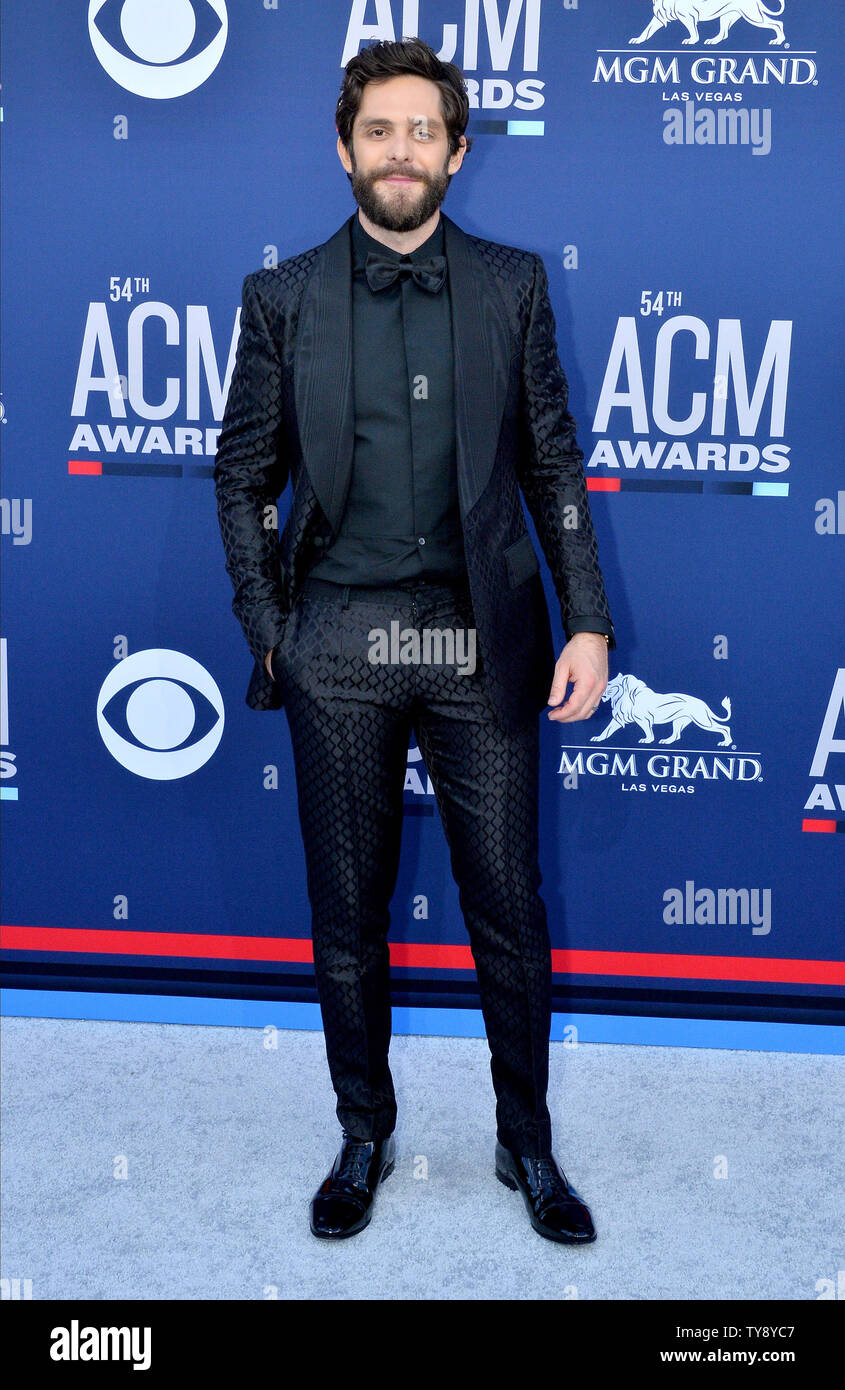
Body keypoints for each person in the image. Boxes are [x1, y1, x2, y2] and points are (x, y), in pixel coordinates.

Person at [214, 37, 616, 1244]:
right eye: (377, 131)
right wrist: (273, 631)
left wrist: (585, 616)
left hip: (480, 639)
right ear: (345, 149)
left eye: (420, 131)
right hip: (333, 637)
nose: (400, 152)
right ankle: (361, 1131)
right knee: (347, 905)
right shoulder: (279, 299)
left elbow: (551, 461)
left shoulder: (513, 284)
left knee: (508, 903)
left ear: (456, 150)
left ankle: (525, 1143)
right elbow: (241, 479)